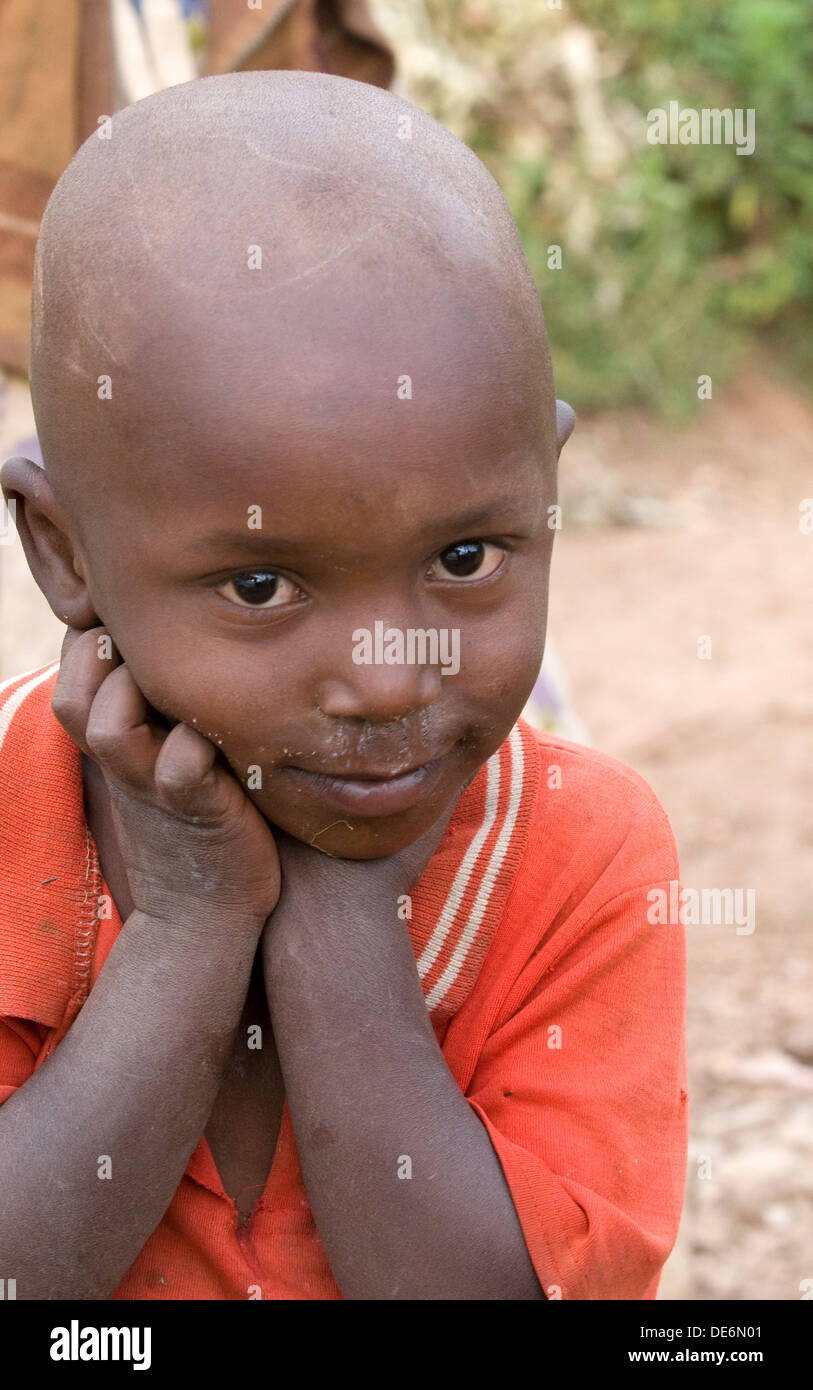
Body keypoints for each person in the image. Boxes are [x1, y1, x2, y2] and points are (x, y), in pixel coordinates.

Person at [0, 70, 687, 1300]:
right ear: (65, 551)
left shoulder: (581, 854)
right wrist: (188, 932)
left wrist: (337, 913)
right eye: (262, 586)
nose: (385, 681)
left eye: (466, 558)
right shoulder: (10, 825)